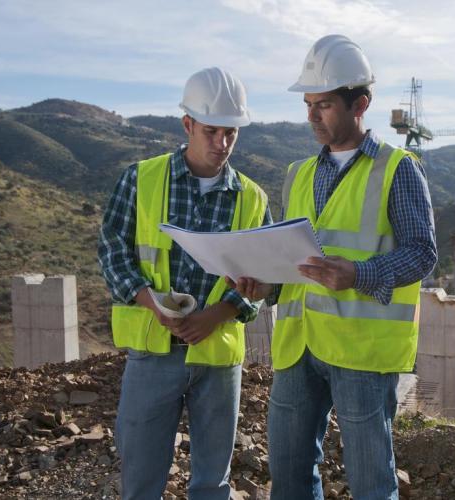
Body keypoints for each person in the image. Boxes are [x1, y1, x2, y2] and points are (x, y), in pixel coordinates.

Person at [231, 35, 437, 500]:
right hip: (298, 347)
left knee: (370, 483)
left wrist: (359, 274)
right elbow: (294, 264)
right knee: (288, 478)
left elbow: (423, 254)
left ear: (360, 103)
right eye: (308, 104)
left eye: (323, 104)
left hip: (362, 353)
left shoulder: (398, 169)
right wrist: (264, 287)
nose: (311, 116)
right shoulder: (299, 173)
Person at [98, 67, 271, 500]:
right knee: (140, 478)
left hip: (217, 355)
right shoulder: (141, 179)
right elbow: (113, 250)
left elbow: (264, 272)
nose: (222, 143)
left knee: (212, 483)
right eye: (211, 131)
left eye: (231, 133)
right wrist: (150, 301)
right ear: (188, 125)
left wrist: (219, 313)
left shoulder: (252, 198)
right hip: (154, 350)